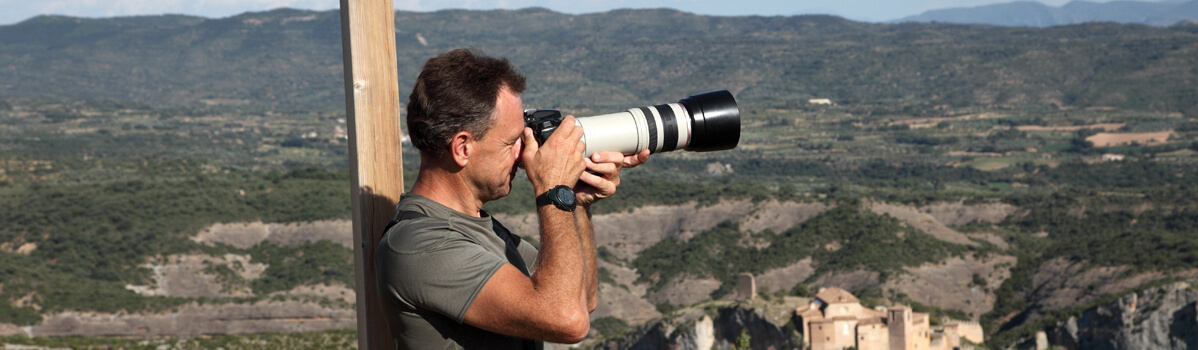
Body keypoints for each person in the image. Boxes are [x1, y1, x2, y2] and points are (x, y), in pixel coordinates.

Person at [374, 48, 650, 349]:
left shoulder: (476, 226)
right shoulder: (420, 245)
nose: (522, 154)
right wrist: (554, 188)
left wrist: (575, 202)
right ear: (463, 148)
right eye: (511, 142)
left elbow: (582, 299)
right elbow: (569, 320)